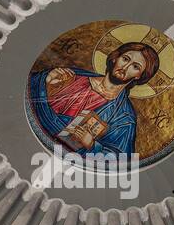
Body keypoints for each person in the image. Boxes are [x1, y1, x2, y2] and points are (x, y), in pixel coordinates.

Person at [28, 41, 160, 157]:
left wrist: (92, 145)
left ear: (139, 76)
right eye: (125, 59)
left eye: (135, 67)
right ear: (116, 58)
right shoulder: (74, 76)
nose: (125, 67)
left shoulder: (124, 118)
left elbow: (119, 160)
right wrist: (46, 82)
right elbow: (30, 90)